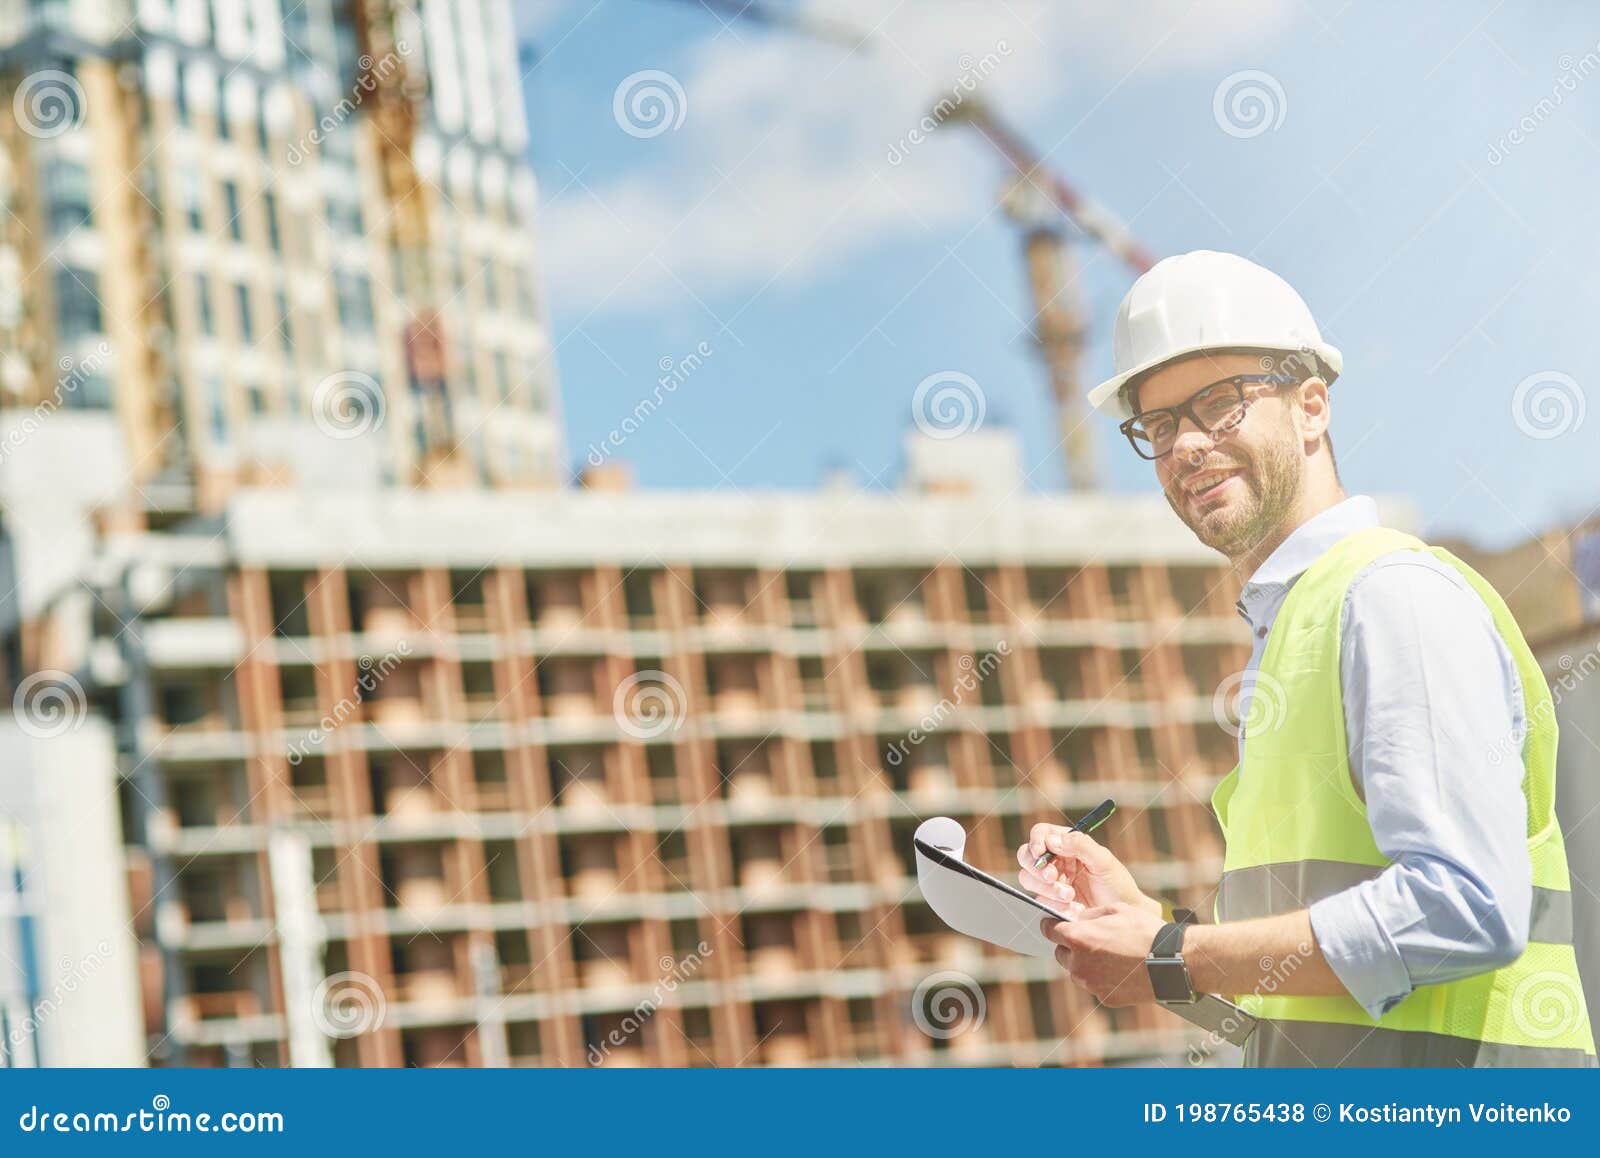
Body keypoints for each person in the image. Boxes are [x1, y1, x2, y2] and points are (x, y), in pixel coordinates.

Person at [1016, 250, 1595, 1067]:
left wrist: (1176, 954)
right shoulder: (1295, 634)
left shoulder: (1390, 597)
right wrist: (1152, 938)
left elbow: (1469, 906)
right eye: (1159, 425)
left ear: (1312, 406)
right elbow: (1302, 999)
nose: (1186, 445)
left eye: (1219, 403)